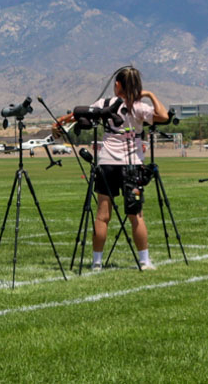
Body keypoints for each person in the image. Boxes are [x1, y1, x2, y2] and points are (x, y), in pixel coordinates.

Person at [55, 65, 168, 271]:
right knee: (136, 215)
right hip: (132, 166)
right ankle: (144, 261)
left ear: (117, 85)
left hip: (106, 164)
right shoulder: (139, 107)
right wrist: (150, 95)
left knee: (102, 216)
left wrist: (61, 121)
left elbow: (80, 114)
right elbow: (163, 116)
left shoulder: (104, 104)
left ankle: (96, 263)